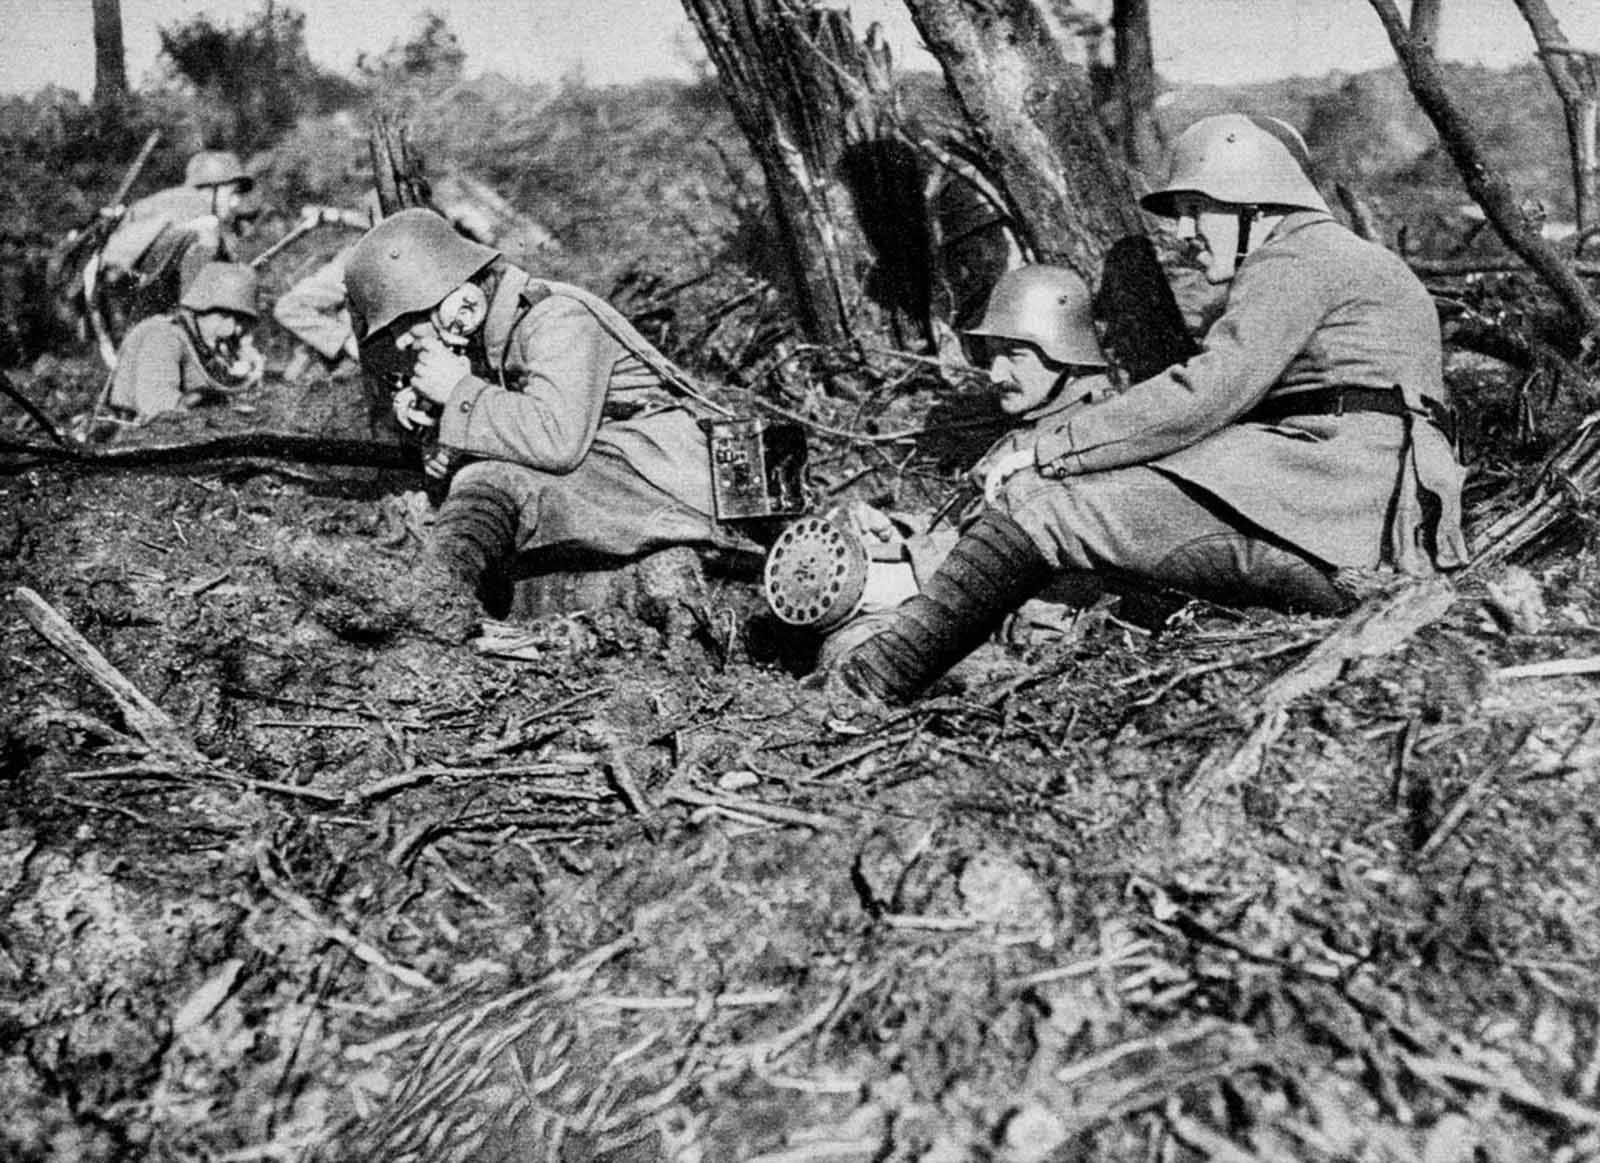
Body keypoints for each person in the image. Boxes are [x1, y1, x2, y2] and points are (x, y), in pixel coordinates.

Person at [831, 112, 1468, 705]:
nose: (1184, 235)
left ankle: (868, 686)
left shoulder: (1298, 258)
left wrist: (1047, 449)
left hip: (1330, 507)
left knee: (1042, 511)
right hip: (1352, 510)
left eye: (1197, 212)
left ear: (1257, 206)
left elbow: (1208, 392)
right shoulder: (1342, 260)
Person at [341, 207, 732, 639]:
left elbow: (556, 440)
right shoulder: (495, 334)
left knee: (493, 479)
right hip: (625, 467)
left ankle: (431, 599)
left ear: (459, 302)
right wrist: (438, 431)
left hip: (672, 473)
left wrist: (459, 393)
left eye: (405, 321)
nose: (400, 341)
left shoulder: (557, 318)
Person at [763, 264, 1112, 648]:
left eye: (1014, 355)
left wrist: (903, 566)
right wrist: (903, 534)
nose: (996, 374)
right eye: (992, 355)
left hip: (1013, 630)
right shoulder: (1041, 421)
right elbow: (978, 523)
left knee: (850, 648)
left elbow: (1030, 561)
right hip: (964, 597)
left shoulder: (1090, 440)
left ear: (1068, 354)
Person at [89, 150, 260, 333]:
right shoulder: (190, 205)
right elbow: (117, 263)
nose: (235, 203)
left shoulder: (180, 203)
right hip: (125, 294)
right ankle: (188, 318)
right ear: (210, 190)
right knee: (207, 231)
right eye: (232, 193)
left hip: (126, 292)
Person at [102, 261, 264, 424]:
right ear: (200, 309)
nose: (234, 330)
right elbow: (159, 408)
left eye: (241, 321)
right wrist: (205, 397)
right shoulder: (163, 336)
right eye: (225, 317)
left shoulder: (203, 339)